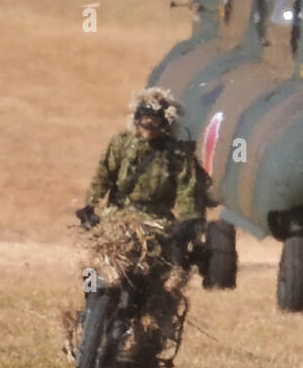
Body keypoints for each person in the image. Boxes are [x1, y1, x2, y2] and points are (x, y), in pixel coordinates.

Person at [77, 87, 208, 256]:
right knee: (103, 264)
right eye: (145, 118)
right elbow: (103, 177)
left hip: (158, 222)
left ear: (166, 122)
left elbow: (187, 191)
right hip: (117, 218)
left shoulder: (178, 154)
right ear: (136, 118)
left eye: (155, 120)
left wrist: (188, 222)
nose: (149, 125)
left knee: (159, 263)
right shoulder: (121, 143)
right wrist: (90, 206)